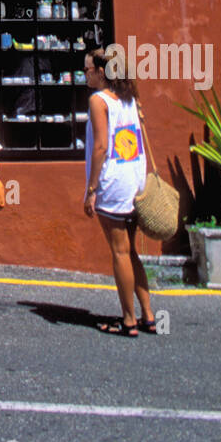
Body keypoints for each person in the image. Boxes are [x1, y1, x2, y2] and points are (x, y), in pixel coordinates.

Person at [83, 48, 156, 337]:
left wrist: (91, 189)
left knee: (120, 252)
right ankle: (148, 315)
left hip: (113, 183)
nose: (85, 75)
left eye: (88, 70)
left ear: (102, 72)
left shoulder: (98, 101)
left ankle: (128, 320)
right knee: (132, 250)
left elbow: (100, 147)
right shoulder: (130, 97)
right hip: (136, 179)